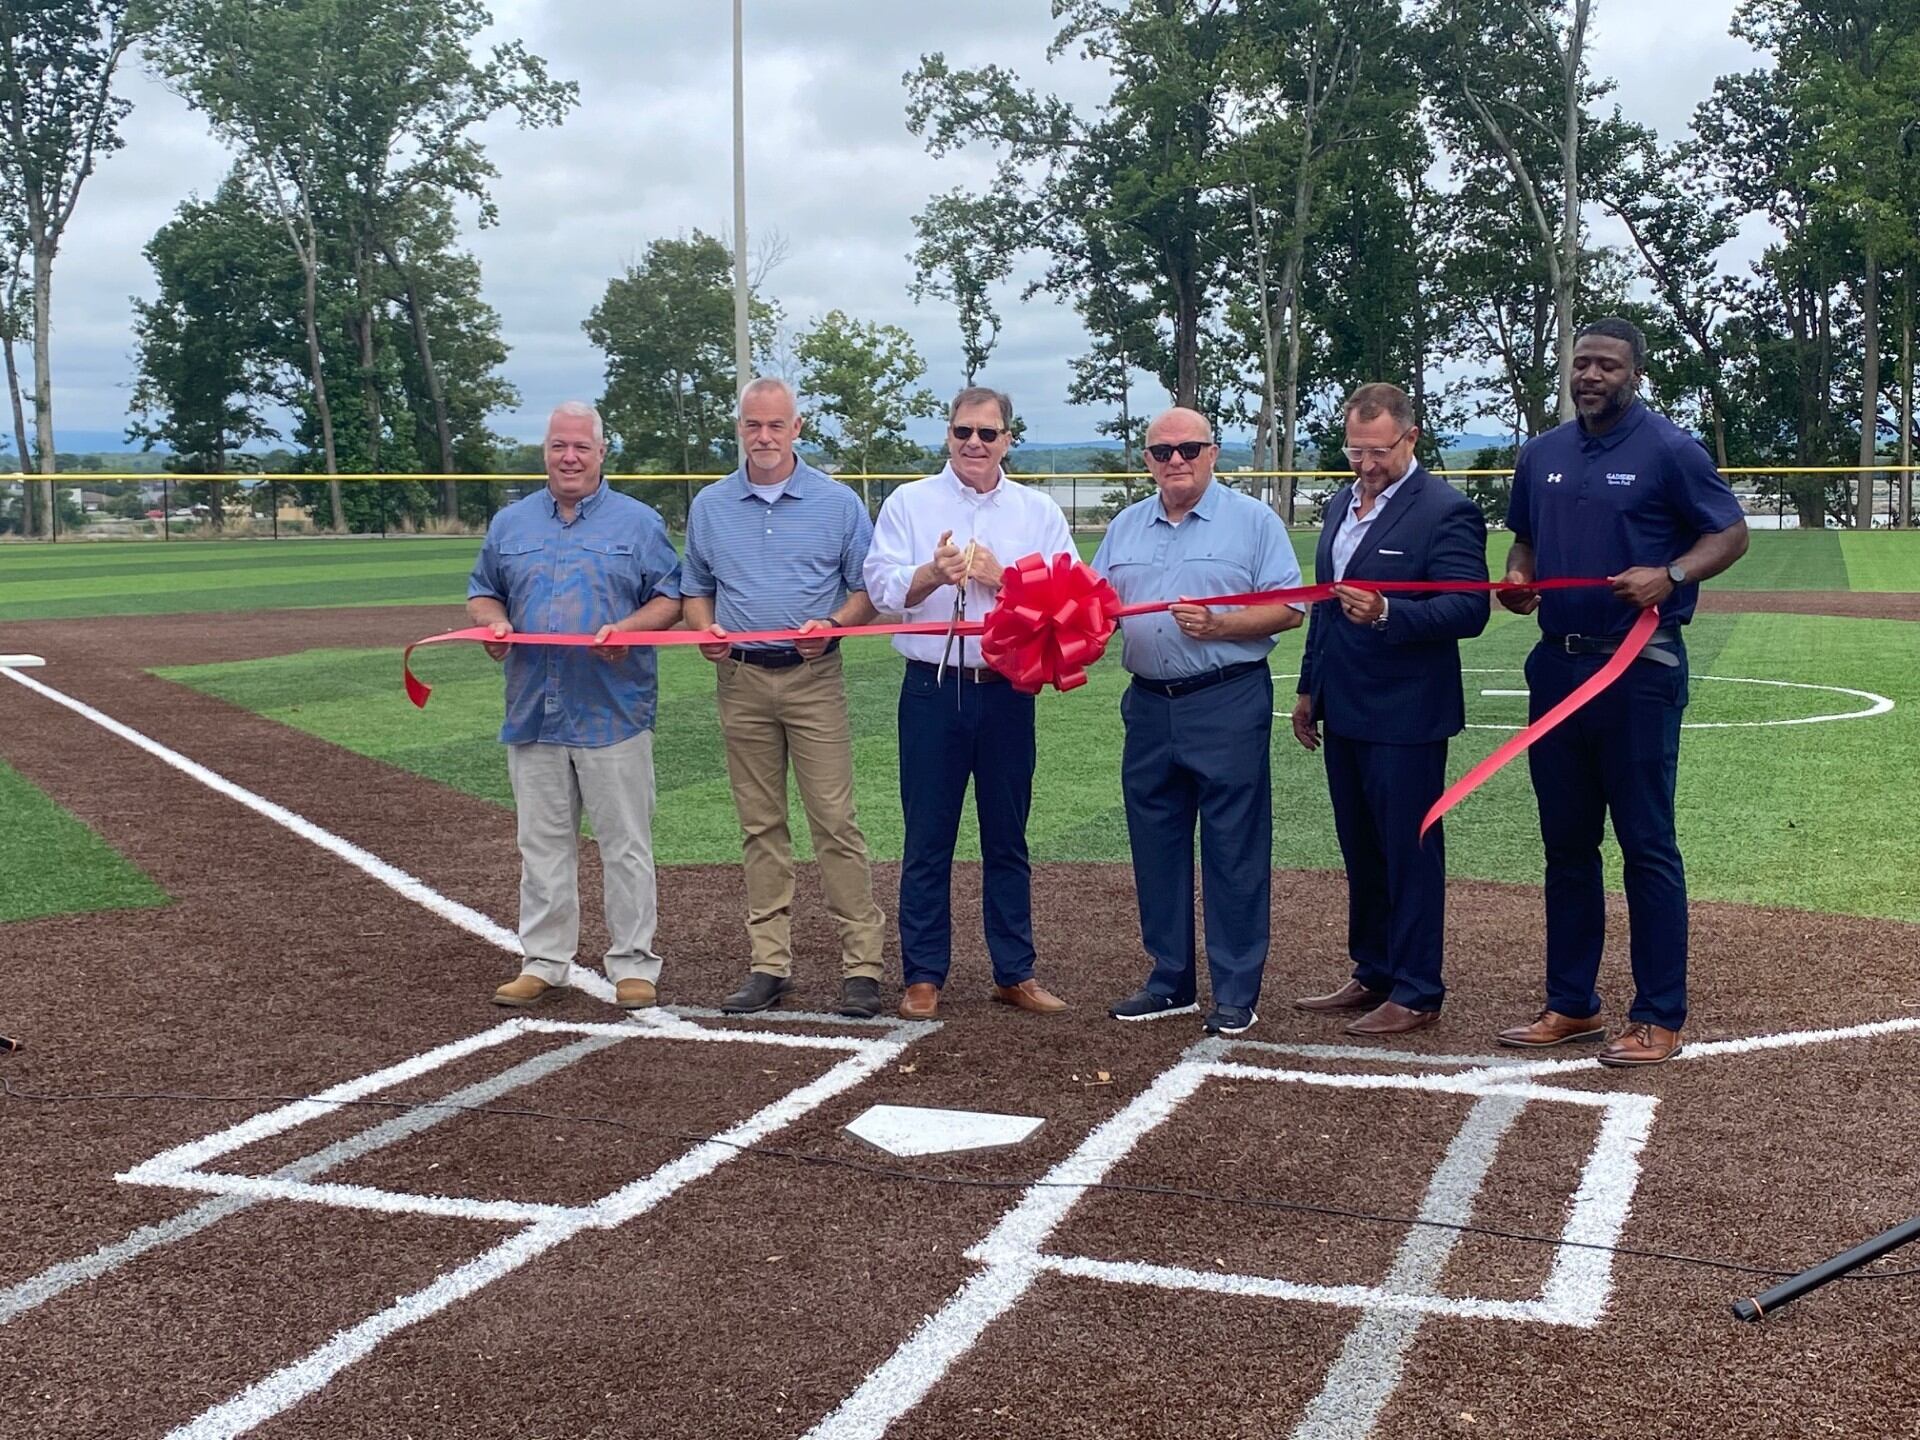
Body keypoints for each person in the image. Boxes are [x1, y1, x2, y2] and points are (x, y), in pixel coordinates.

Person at [1495, 318, 1748, 1067]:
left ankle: (1658, 1013)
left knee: (1646, 846)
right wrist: (1517, 577)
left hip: (1637, 673)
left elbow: (1729, 534)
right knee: (1567, 846)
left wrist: (1670, 575)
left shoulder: (1670, 450)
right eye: (1582, 364)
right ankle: (1572, 1004)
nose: (1591, 376)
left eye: (1606, 365)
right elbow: (1524, 540)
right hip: (1557, 670)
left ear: (1633, 373)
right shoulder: (1541, 453)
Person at [862, 386, 1075, 1021]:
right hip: (931, 689)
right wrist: (932, 573)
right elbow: (880, 586)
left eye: (987, 433)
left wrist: (999, 576)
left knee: (1007, 836)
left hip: (1008, 687)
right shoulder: (910, 502)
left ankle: (1015, 971)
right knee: (928, 835)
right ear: (947, 436)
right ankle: (923, 974)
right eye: (963, 433)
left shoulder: (1036, 510)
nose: (974, 444)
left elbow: (1066, 591)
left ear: (1008, 438)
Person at [681, 377, 889, 1019]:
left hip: (813, 678)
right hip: (740, 680)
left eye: (776, 425)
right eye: (752, 425)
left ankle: (862, 967)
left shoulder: (838, 503)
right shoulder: (711, 506)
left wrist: (832, 625)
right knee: (760, 825)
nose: (764, 437)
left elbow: (867, 589)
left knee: (834, 820)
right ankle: (769, 964)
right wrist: (703, 633)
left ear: (798, 428)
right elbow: (696, 588)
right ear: (739, 428)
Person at [1095, 407, 1305, 1037]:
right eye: (1162, 451)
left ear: (1213, 453)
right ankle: (1170, 981)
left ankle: (1237, 988)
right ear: (1147, 460)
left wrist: (1222, 625)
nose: (1176, 460)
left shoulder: (1253, 521)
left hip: (1225, 698)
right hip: (1150, 703)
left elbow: (1290, 608)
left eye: (1189, 448)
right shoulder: (1127, 526)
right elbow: (1095, 606)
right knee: (1155, 844)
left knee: (1233, 849)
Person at [468, 401, 684, 1011]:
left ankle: (634, 963)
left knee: (626, 844)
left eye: (581, 447)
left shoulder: (638, 524)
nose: (570, 457)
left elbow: (670, 597)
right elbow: (484, 592)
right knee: (541, 845)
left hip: (612, 711)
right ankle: (544, 960)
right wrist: (495, 625)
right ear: (546, 451)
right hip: (534, 709)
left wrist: (630, 630)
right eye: (560, 446)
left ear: (600, 452)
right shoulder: (510, 524)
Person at [1290, 383, 1489, 1037]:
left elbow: (1469, 609)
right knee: (1363, 849)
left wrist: (1390, 612)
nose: (1366, 465)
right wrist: (1307, 688)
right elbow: (1324, 604)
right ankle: (1373, 969)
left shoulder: (1447, 510)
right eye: (1355, 451)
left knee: (1409, 851)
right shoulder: (1341, 505)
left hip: (1407, 715)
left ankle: (1417, 988)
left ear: (1410, 438)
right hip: (1343, 707)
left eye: (1378, 451)